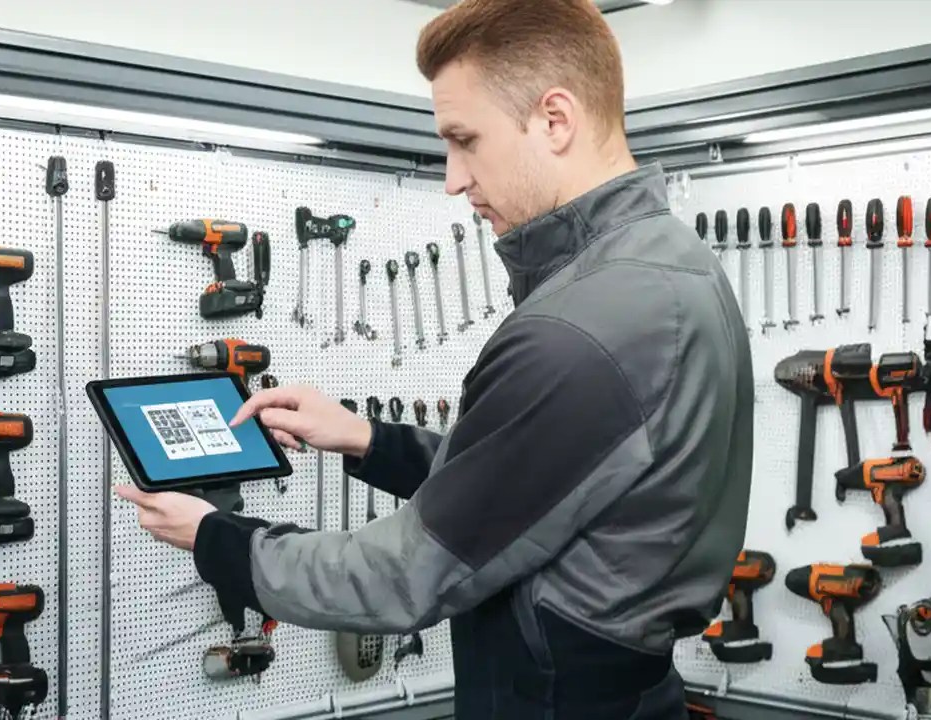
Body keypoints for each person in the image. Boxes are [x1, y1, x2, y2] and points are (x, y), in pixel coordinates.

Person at [114, 0, 754, 717]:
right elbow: (541, 483)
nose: (452, 178)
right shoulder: (675, 268)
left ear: (555, 120)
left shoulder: (584, 326)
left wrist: (218, 540)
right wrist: (368, 439)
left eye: (464, 139)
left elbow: (402, 576)